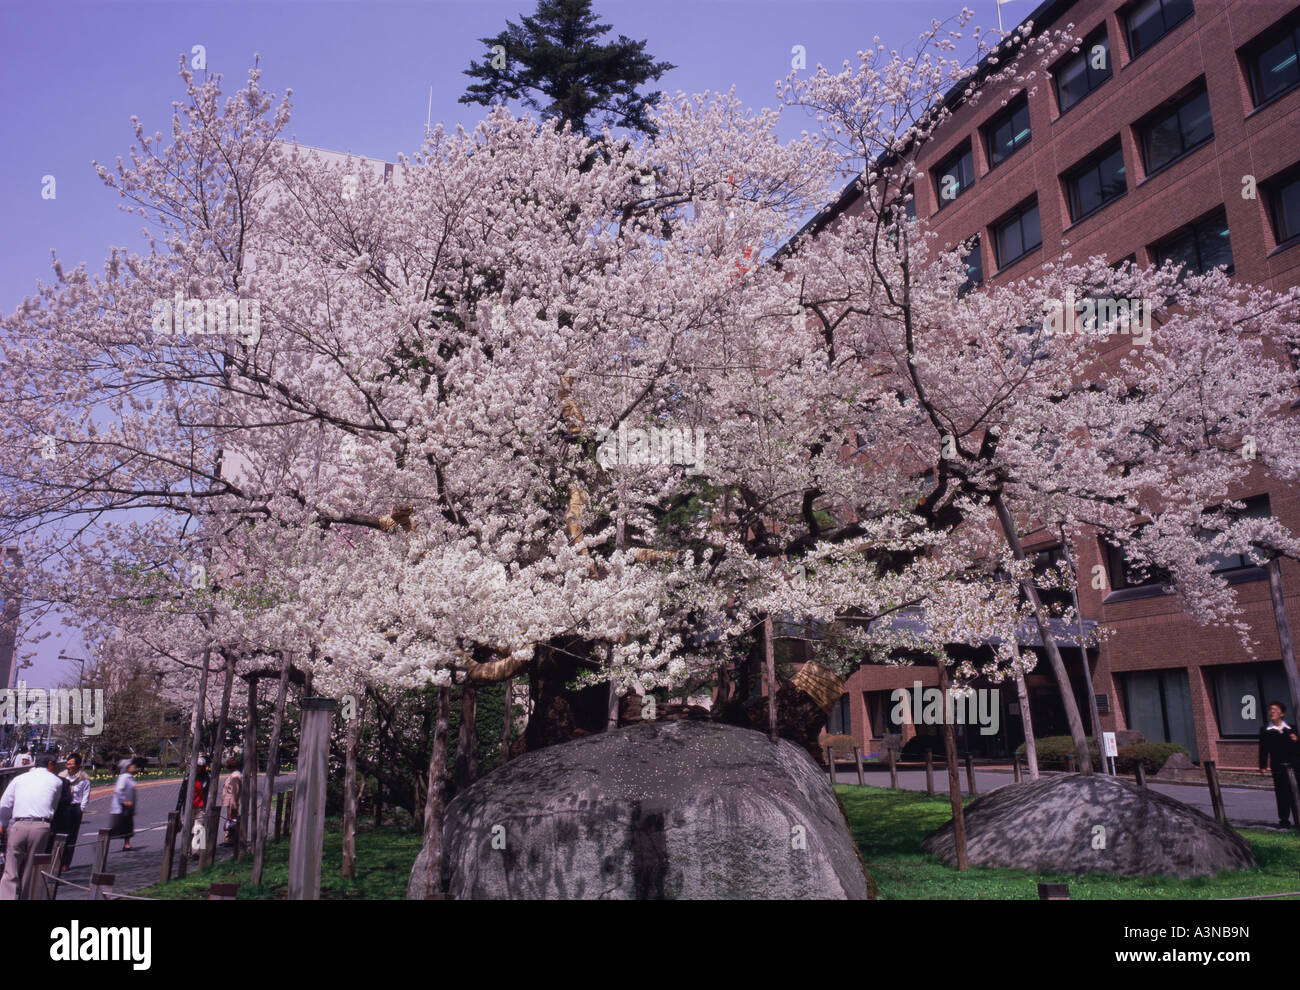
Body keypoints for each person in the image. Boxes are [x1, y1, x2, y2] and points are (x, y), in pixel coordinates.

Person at [0, 752, 68, 898]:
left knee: (11, 867)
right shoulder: (56, 781)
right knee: (32, 868)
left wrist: (3, 824)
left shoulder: (19, 779)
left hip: (18, 824)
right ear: (50, 764)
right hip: (41, 825)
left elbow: (4, 804)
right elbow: (54, 806)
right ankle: (26, 896)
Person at [1259, 700, 1300, 828]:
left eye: (1275, 710)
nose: (1272, 712)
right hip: (1278, 765)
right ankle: (1284, 820)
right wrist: (1263, 765)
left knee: (1297, 791)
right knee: (1282, 793)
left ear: (1282, 714)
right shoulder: (1266, 730)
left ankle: (1298, 818)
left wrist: (1296, 740)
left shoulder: (1292, 729)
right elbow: (1263, 749)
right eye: (1270, 709)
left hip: (1295, 765)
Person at [55, 754, 91, 873]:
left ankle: (66, 863)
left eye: (71, 764)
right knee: (58, 835)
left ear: (77, 765)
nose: (68, 766)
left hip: (75, 809)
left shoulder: (84, 778)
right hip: (62, 808)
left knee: (71, 837)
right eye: (67, 763)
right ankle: (56, 861)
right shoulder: (61, 776)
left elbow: (86, 795)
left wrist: (81, 808)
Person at [109, 760, 138, 851]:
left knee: (128, 825)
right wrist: (124, 801)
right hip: (121, 806)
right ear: (127, 767)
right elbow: (118, 790)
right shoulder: (123, 778)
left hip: (128, 806)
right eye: (132, 765)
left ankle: (127, 844)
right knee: (117, 827)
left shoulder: (130, 777)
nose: (134, 766)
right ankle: (102, 842)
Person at [219, 756, 243, 847]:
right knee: (230, 820)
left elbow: (234, 791)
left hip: (231, 802)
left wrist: (233, 804)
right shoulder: (235, 774)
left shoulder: (235, 776)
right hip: (230, 801)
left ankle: (230, 839)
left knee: (231, 820)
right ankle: (228, 838)